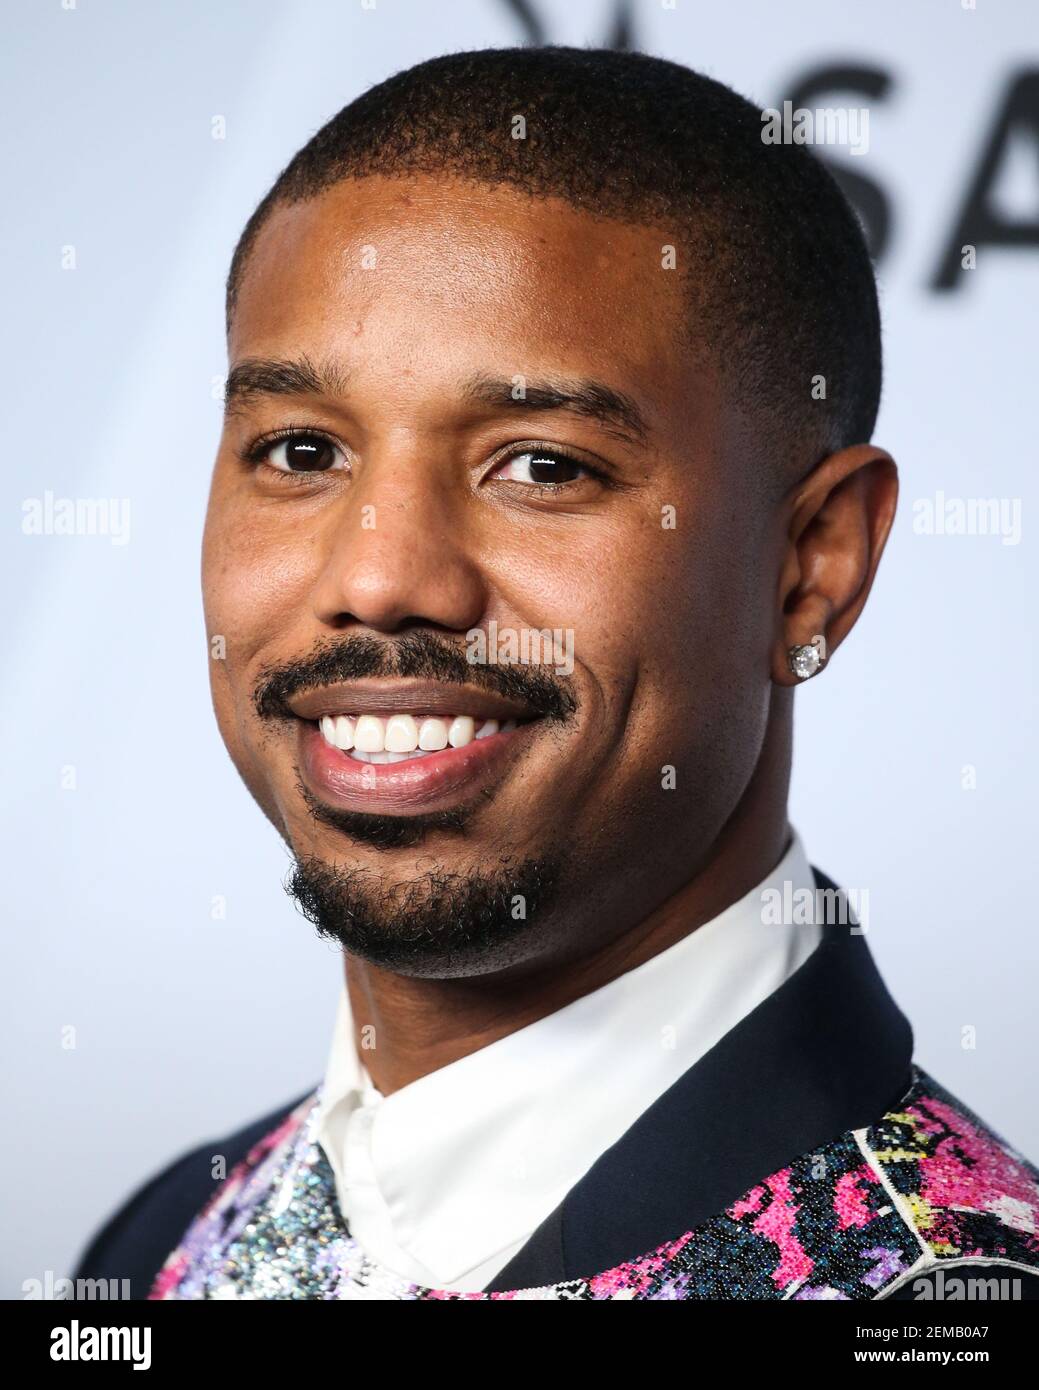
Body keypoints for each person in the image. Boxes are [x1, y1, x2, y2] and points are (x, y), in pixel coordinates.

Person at [74, 45, 1039, 1301]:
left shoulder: (943, 1290)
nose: (380, 579)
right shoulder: (155, 1248)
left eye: (542, 466)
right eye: (303, 449)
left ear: (812, 563)